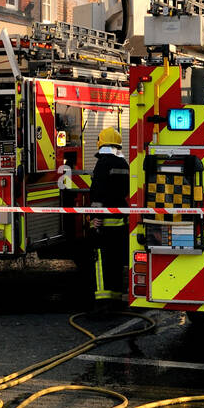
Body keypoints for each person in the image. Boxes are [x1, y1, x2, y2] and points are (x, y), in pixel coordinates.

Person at [88, 127, 129, 302]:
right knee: (117, 261)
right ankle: (117, 296)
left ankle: (103, 301)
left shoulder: (102, 164)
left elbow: (97, 192)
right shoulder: (124, 164)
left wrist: (94, 216)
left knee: (101, 261)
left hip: (104, 222)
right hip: (121, 220)